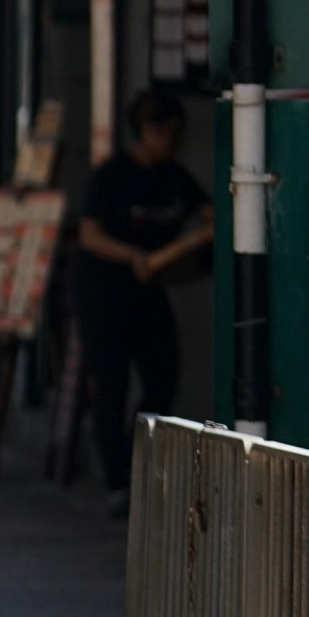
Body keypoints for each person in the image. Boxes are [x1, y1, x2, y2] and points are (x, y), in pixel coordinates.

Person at [72, 88, 215, 515]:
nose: (172, 140)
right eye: (166, 131)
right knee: (110, 384)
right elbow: (90, 234)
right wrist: (133, 256)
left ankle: (142, 459)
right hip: (104, 290)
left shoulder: (174, 177)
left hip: (149, 289)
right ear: (146, 130)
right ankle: (118, 482)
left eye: (178, 133)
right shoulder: (113, 174)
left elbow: (213, 213)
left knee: (163, 377)